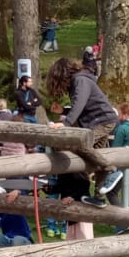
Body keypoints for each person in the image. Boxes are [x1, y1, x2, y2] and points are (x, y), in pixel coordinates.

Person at [45, 56, 121, 200]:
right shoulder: (80, 81)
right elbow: (82, 106)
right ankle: (99, 196)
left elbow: (79, 103)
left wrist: (66, 123)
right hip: (98, 120)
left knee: (79, 143)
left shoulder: (80, 80)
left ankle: (111, 170)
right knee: (96, 156)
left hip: (101, 120)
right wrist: (63, 111)